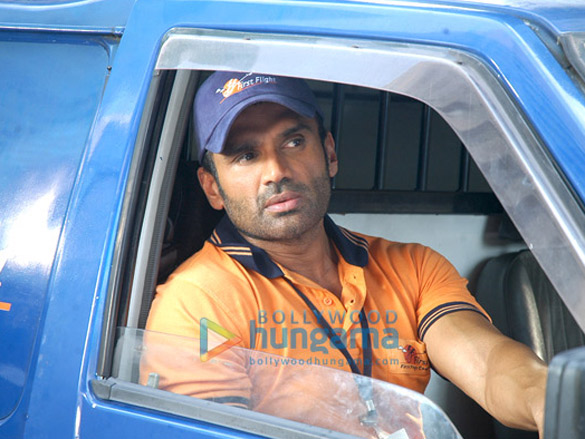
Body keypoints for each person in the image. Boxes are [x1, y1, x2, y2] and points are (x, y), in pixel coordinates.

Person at [142, 71, 547, 437]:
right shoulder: (196, 302)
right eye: (246, 156)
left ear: (330, 154)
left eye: (294, 141)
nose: (276, 171)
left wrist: (545, 399)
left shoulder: (413, 267)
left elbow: (489, 365)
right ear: (212, 188)